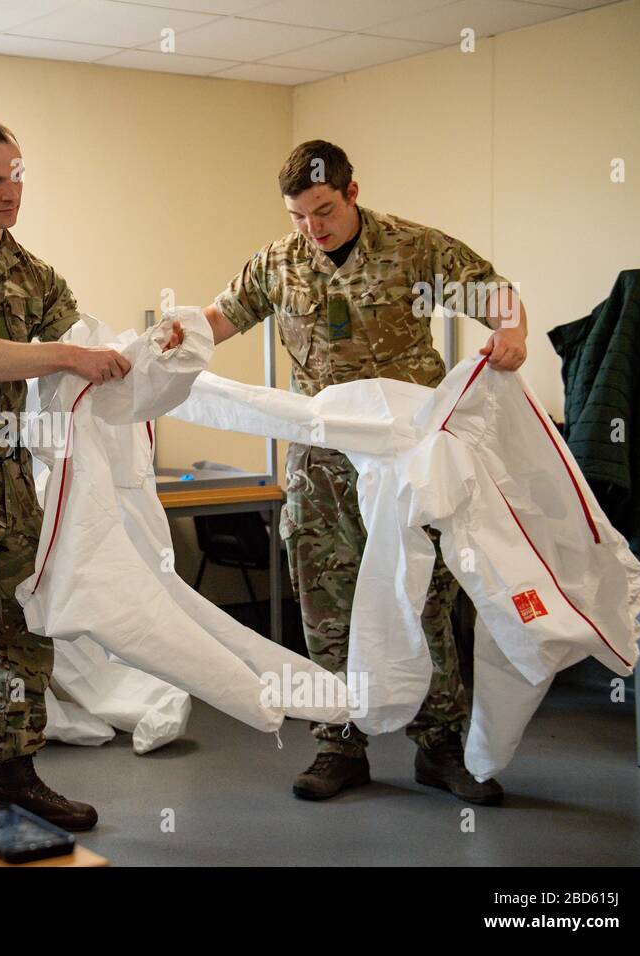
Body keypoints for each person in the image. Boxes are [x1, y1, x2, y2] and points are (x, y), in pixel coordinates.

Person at [202, 140, 528, 805]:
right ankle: (338, 744)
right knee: (327, 603)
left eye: (322, 210)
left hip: (406, 456)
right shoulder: (278, 262)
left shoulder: (415, 249)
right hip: (322, 463)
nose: (311, 228)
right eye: (298, 215)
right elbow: (218, 320)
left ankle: (440, 747)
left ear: (352, 193)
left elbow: (499, 298)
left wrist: (512, 331)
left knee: (426, 597)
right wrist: (163, 346)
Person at [0, 118, 181, 830]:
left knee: (26, 630)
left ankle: (14, 771)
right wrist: (67, 356)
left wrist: (147, 350)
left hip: (10, 473)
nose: (10, 192)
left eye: (17, 176)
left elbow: (85, 348)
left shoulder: (33, 273)